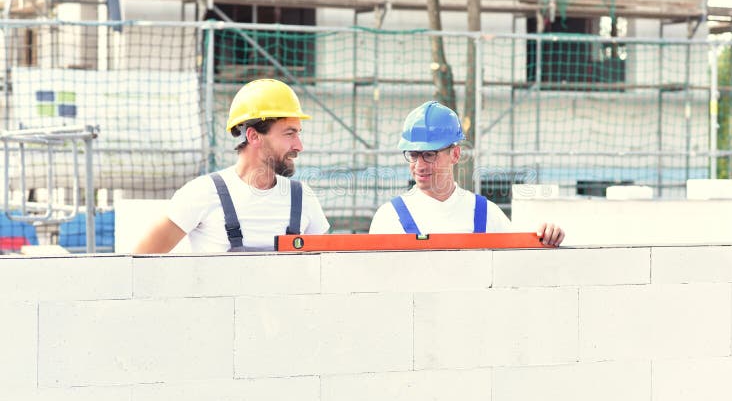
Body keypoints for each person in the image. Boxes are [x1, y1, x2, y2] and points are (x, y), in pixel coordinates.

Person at [133, 79, 329, 253]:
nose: (299, 146)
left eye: (298, 133)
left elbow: (326, 270)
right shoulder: (202, 193)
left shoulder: (303, 197)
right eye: (289, 134)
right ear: (254, 136)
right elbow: (138, 262)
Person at [369, 100, 565, 246]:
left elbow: (519, 265)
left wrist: (546, 238)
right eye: (413, 155)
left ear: (455, 154)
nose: (419, 165)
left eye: (429, 154)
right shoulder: (389, 218)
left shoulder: (487, 214)